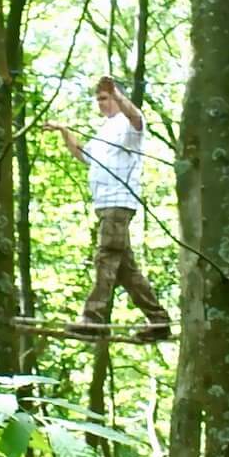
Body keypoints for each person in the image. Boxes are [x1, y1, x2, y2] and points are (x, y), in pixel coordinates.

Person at [56, 76, 171, 339]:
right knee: (126, 271)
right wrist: (64, 130)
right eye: (98, 99)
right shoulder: (104, 130)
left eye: (105, 98)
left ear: (118, 97)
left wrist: (118, 94)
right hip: (105, 205)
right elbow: (83, 155)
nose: (101, 103)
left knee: (105, 257)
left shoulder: (127, 125)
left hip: (118, 203)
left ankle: (93, 319)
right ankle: (159, 321)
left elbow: (136, 119)